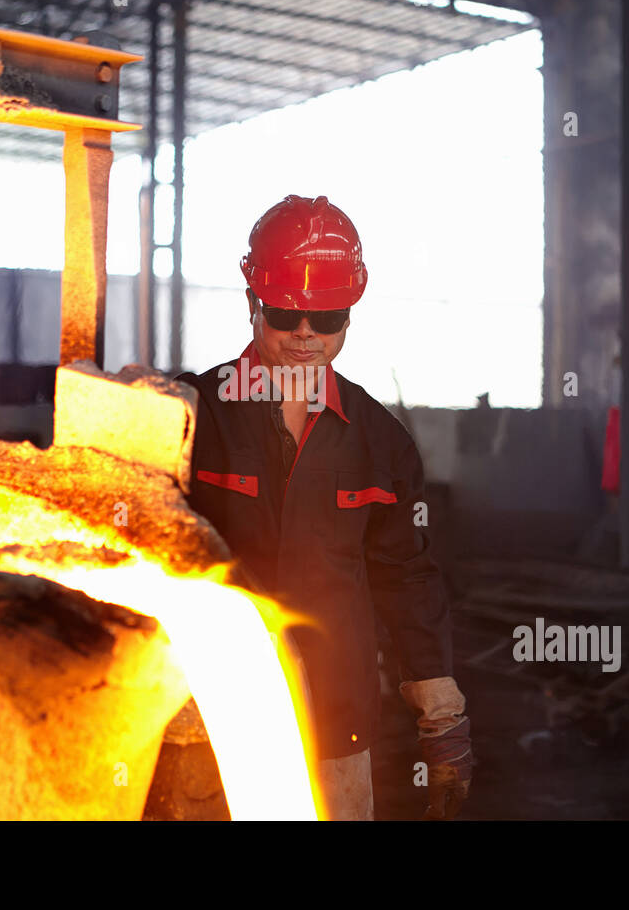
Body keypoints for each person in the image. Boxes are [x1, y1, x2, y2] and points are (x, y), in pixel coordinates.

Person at [174, 194, 473, 820]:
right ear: (253, 304)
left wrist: (440, 708)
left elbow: (405, 573)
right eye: (286, 314)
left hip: (338, 715)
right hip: (210, 712)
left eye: (328, 316)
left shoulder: (380, 442)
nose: (306, 334)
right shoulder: (192, 415)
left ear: (349, 318)